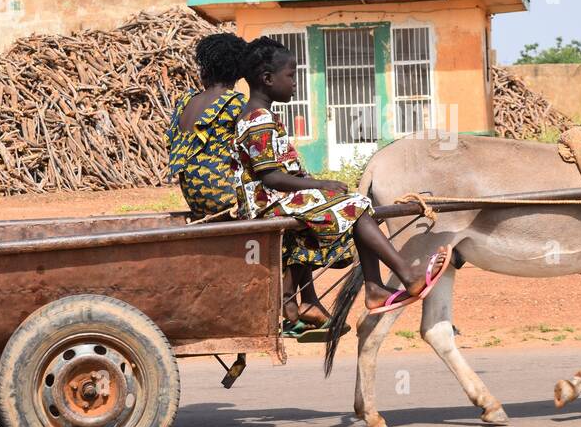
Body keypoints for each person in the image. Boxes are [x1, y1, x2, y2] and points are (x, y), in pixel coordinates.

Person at [233, 37, 449, 319]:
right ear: (268, 79)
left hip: (277, 199)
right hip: (266, 204)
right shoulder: (258, 119)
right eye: (291, 75)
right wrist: (320, 185)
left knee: (354, 203)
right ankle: (405, 276)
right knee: (354, 206)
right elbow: (271, 177)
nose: (295, 82)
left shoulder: (260, 115)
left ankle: (374, 289)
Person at [167, 33, 249, 220]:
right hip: (226, 201)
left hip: (194, 200)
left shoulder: (186, 101)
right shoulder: (236, 103)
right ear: (238, 72)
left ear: (206, 69)